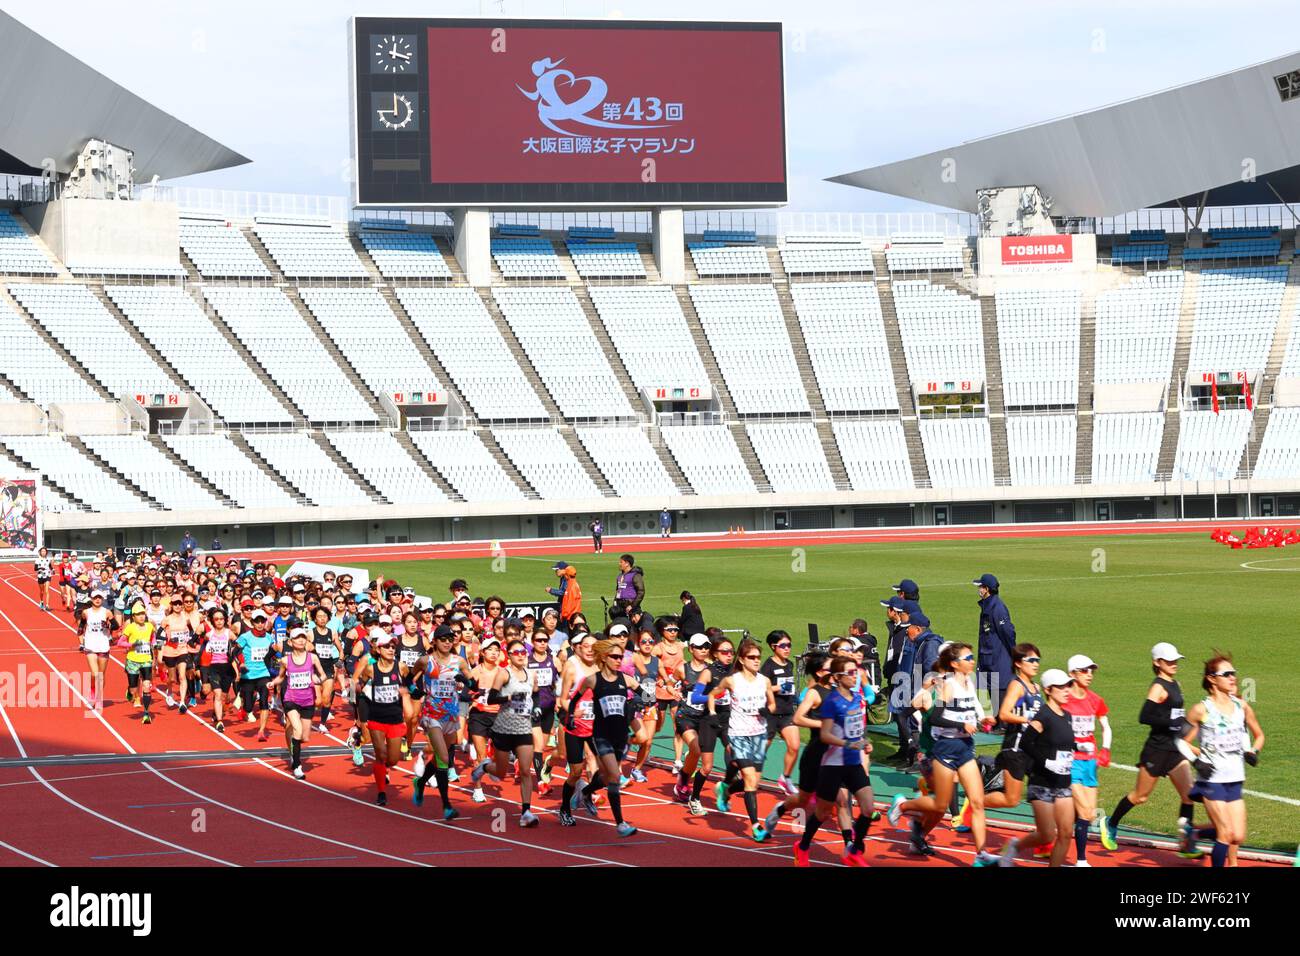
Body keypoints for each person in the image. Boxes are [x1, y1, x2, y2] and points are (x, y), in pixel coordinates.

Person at [888, 642, 1002, 867]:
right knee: (940, 806)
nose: (972, 660)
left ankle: (981, 854)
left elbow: (971, 711)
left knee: (977, 802)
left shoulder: (969, 683)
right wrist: (962, 725)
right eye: (967, 658)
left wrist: (983, 719)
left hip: (965, 748)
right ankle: (903, 806)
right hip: (945, 748)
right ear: (954, 664)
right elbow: (936, 718)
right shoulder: (948, 685)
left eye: (971, 657)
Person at [1102, 642, 1200, 857]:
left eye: (1176, 660)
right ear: (1158, 662)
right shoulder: (1158, 687)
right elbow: (1145, 716)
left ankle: (1186, 843)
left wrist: (1190, 729)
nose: (1174, 664)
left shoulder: (1176, 683)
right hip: (1156, 750)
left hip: (1175, 749)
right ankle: (1110, 822)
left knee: (1188, 795)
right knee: (1140, 796)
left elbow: (1177, 717)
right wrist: (1171, 723)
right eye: (1169, 661)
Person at [1179, 652, 1264, 867]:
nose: (1233, 677)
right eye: (1227, 674)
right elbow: (1180, 742)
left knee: (1238, 836)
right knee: (1225, 834)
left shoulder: (1241, 707)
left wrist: (1253, 751)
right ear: (1212, 678)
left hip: (1235, 778)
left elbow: (1259, 735)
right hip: (1212, 780)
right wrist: (1197, 761)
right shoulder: (1201, 710)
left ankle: (1194, 832)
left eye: (1233, 673)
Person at [999, 669, 1078, 867]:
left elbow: (1061, 742)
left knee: (1066, 833)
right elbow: (1026, 743)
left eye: (1068, 685)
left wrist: (1079, 747)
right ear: (1048, 690)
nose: (1067, 690)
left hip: (1063, 782)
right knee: (1047, 835)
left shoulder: (1067, 716)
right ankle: (1015, 846)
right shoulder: (1043, 716)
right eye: (1061, 687)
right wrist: (1047, 762)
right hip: (1042, 783)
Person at [806, 656, 877, 866]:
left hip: (853, 763)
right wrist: (847, 744)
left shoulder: (857, 698)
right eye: (851, 673)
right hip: (833, 765)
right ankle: (802, 846)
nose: (856, 676)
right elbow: (825, 735)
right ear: (837, 677)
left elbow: (857, 728)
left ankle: (854, 850)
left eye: (856, 672)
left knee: (868, 808)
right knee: (823, 812)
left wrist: (864, 741)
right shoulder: (831, 702)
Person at [978, 644, 1045, 848]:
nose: (1036, 665)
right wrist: (1028, 719)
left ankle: (1045, 840)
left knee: (1044, 795)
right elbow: (1006, 713)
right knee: (1011, 800)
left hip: (1034, 750)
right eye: (1031, 660)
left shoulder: (1036, 688)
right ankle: (976, 804)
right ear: (1018, 663)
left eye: (1038, 660)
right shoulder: (1017, 685)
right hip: (1016, 749)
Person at [573, 639, 641, 837]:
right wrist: (569, 715)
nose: (619, 660)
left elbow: (646, 696)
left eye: (621, 657)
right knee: (614, 775)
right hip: (601, 735)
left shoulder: (626, 679)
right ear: (604, 657)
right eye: (615, 657)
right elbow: (574, 699)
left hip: (621, 736)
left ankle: (586, 792)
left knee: (605, 776)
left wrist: (636, 702)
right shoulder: (592, 680)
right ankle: (620, 823)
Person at [711, 637, 776, 842]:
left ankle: (726, 789)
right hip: (738, 734)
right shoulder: (732, 680)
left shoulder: (764, 681)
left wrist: (768, 710)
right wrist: (712, 713)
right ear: (742, 659)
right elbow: (713, 694)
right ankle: (756, 826)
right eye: (752, 657)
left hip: (758, 733)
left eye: (758, 657)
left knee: (754, 782)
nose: (757, 661)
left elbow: (772, 705)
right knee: (748, 778)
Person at [472, 639, 541, 826]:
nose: (520, 655)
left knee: (526, 770)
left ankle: (526, 812)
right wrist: (509, 697)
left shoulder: (531, 674)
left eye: (523, 652)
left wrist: (536, 708)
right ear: (509, 655)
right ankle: (485, 767)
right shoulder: (504, 673)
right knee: (501, 773)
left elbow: (535, 694)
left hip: (523, 727)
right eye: (516, 652)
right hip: (503, 728)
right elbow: (492, 698)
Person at [1061, 653, 1112, 867]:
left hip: (1090, 763)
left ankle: (1058, 837)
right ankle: (1081, 860)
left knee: (1085, 816)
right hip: (1070, 762)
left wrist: (1106, 749)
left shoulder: (1095, 699)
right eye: (1084, 670)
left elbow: (1105, 726)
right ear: (1072, 674)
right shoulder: (1063, 700)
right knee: (1086, 812)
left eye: (1091, 670)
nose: (1089, 674)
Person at [411, 625, 464, 819]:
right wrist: (412, 689)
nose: (448, 642)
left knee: (444, 758)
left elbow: (473, 682)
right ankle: (447, 806)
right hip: (431, 714)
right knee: (443, 758)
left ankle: (420, 782)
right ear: (435, 641)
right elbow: (408, 677)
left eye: (450, 639)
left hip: (450, 714)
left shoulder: (459, 661)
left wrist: (464, 680)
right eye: (444, 639)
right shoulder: (426, 661)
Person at [356, 633, 410, 805]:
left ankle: (384, 769)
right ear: (378, 649)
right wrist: (357, 699)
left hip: (394, 718)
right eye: (387, 646)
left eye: (393, 647)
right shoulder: (371, 669)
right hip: (376, 717)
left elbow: (409, 683)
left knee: (393, 759)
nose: (390, 649)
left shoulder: (401, 667)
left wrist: (409, 692)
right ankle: (381, 792)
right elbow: (359, 684)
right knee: (381, 754)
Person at [268, 628, 327, 779]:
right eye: (297, 638)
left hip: (307, 700)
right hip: (291, 700)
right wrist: (272, 682)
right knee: (297, 730)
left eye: (303, 638)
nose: (301, 640)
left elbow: (323, 675)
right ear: (291, 641)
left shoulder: (312, 658)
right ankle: (297, 764)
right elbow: (281, 678)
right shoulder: (285, 660)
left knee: (305, 737)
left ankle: (294, 750)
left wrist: (317, 680)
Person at [760, 630, 801, 794]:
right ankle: (744, 774)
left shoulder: (790, 664)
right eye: (783, 646)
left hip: (787, 713)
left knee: (795, 746)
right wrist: (779, 688)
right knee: (761, 751)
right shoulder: (768, 666)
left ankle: (785, 778)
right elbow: (762, 687)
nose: (787, 649)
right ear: (773, 647)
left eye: (789, 645)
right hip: (770, 714)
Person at [973, 573, 1016, 719]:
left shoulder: (997, 608)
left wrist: (1013, 653)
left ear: (987, 589)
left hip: (997, 656)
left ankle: (1002, 724)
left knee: (999, 688)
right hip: (989, 656)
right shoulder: (988, 605)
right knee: (992, 688)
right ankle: (997, 722)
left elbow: (1008, 632)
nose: (979, 589)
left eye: (980, 586)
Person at [235, 610, 278, 742]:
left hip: (264, 673)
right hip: (248, 675)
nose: (260, 624)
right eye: (257, 621)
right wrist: (241, 663)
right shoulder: (245, 637)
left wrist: (280, 659)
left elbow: (273, 652)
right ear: (253, 622)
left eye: (262, 621)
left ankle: (261, 731)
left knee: (264, 700)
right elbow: (234, 652)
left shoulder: (269, 637)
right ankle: (245, 707)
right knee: (249, 707)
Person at [198, 607, 237, 733]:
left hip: (227, 668)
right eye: (216, 619)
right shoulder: (209, 636)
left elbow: (238, 650)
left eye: (221, 619)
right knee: (218, 694)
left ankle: (216, 713)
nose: (219, 621)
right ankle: (220, 721)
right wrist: (201, 670)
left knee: (224, 696)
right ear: (212, 621)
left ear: (225, 620)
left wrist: (239, 666)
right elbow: (203, 653)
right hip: (213, 668)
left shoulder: (229, 634)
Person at [80, 591, 117, 710]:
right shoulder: (86, 612)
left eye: (99, 598)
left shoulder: (107, 612)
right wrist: (80, 634)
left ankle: (99, 698)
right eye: (95, 597)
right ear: (91, 599)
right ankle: (92, 692)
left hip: (103, 645)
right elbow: (82, 624)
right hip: (90, 645)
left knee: (101, 675)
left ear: (102, 599)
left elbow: (115, 626)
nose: (97, 600)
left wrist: (108, 625)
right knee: (94, 673)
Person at [122, 603, 157, 724]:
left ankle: (146, 713)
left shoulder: (149, 626)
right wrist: (131, 644)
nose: (141, 617)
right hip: (132, 660)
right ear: (133, 616)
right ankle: (129, 690)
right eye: (138, 615)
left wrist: (154, 644)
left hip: (146, 660)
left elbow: (152, 638)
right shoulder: (130, 627)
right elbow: (120, 643)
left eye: (143, 614)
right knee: (133, 690)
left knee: (147, 686)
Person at [34, 546, 52, 611]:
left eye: (44, 551)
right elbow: (35, 569)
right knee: (42, 591)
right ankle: (41, 601)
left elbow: (50, 567)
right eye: (42, 551)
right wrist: (40, 568)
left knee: (47, 591)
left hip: (47, 575)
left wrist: (53, 570)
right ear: (40, 552)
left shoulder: (48, 559)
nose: (43, 552)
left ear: (46, 552)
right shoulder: (37, 560)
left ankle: (47, 605)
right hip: (40, 576)